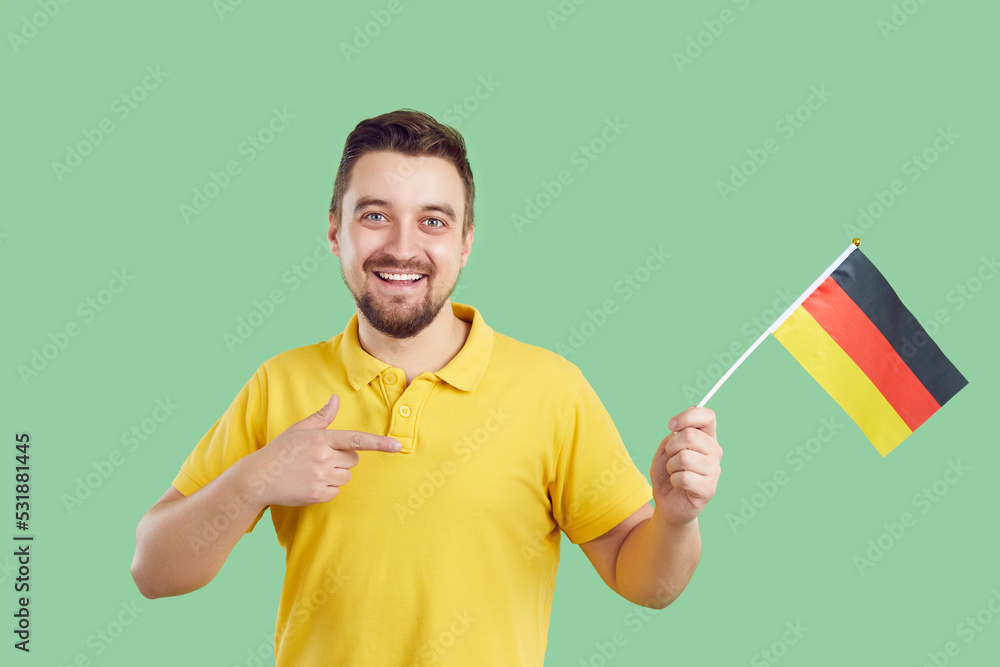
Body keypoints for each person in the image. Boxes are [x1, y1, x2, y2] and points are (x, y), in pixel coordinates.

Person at [130, 109, 723, 666]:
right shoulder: (280, 382)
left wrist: (674, 522)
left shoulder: (552, 390)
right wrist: (254, 480)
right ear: (336, 232)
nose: (403, 247)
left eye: (433, 221)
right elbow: (153, 572)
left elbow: (644, 583)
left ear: (465, 241)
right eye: (375, 215)